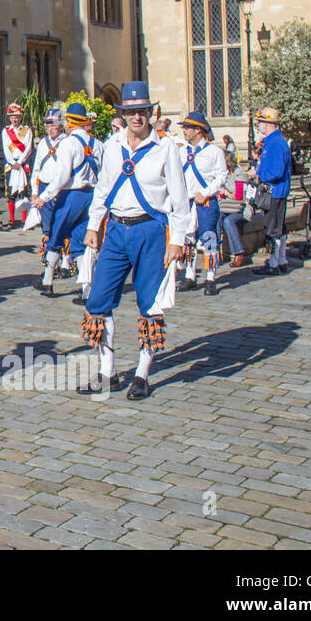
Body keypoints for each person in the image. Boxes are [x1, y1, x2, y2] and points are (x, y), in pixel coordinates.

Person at [78, 81, 190, 401]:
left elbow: (179, 200)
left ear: (150, 113)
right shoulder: (112, 145)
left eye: (141, 111)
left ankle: (141, 374)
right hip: (115, 230)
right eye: (130, 112)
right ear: (123, 114)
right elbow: (102, 188)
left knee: (149, 303)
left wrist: (177, 240)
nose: (136, 117)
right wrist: (93, 225)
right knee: (98, 300)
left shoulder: (165, 147)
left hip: (151, 231)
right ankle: (108, 372)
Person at [33, 102, 99, 300]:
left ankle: (48, 281)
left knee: (56, 236)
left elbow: (62, 177)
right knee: (81, 241)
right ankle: (86, 290)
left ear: (69, 122)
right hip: (91, 195)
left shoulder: (68, 144)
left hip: (71, 195)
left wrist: (43, 197)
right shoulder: (98, 144)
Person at [176, 111, 229, 296]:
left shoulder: (214, 152)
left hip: (206, 202)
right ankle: (190, 276)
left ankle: (211, 278)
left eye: (188, 128)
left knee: (209, 240)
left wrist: (206, 193)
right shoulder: (181, 151)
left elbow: (222, 177)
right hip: (187, 203)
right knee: (188, 241)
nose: (185, 131)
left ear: (199, 130)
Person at [249, 107, 293, 276]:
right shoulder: (274, 141)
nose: (259, 125)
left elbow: (275, 171)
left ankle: (274, 263)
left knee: (273, 229)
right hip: (276, 192)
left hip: (274, 191)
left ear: (268, 124)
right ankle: (281, 261)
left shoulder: (275, 143)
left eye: (260, 122)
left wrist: (257, 174)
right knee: (278, 227)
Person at [30, 108, 66, 267]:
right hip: (44, 188)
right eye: (48, 125)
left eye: (54, 125)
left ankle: (66, 260)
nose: (51, 128)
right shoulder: (43, 143)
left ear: (61, 126)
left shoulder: (67, 142)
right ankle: (50, 261)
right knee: (47, 225)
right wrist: (34, 192)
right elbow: (36, 169)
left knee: (62, 224)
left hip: (61, 189)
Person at [222, 143, 264, 267]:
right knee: (216, 217)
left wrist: (225, 193)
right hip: (226, 208)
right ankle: (215, 251)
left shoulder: (239, 175)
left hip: (241, 210)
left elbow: (239, 197)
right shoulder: (223, 174)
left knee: (228, 221)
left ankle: (239, 253)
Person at [1, 103, 34, 229]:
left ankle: (25, 219)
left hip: (23, 163)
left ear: (20, 117)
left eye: (17, 117)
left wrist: (20, 162)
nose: (14, 120)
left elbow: (28, 148)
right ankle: (12, 219)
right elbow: (6, 148)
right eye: (12, 117)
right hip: (11, 164)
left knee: (24, 191)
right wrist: (12, 162)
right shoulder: (5, 131)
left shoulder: (27, 130)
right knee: (10, 192)